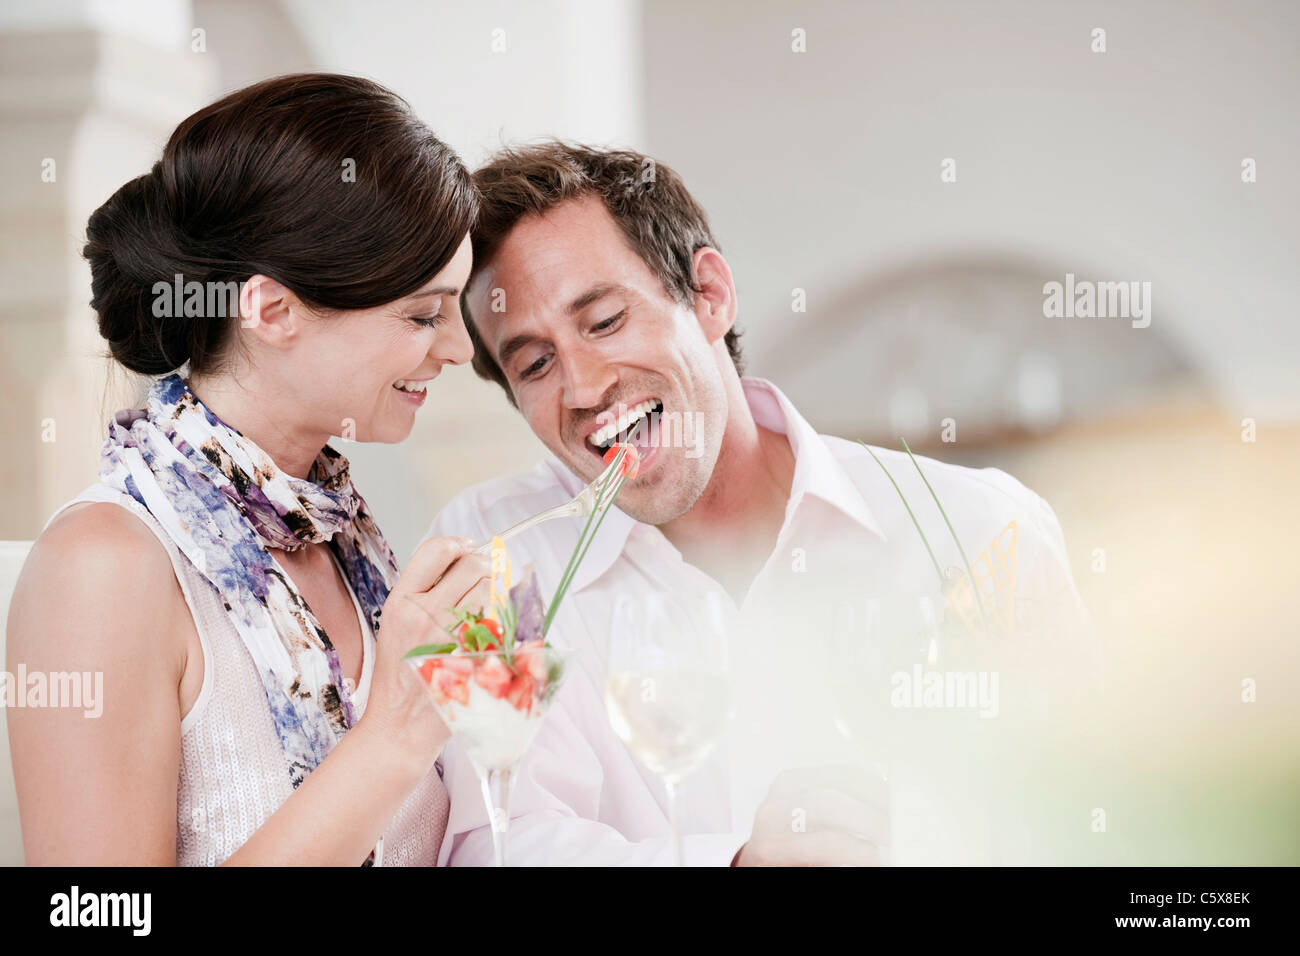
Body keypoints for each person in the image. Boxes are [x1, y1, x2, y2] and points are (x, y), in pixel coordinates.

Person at [426, 141, 1093, 866]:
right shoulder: (491, 554)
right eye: (535, 362)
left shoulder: (980, 531)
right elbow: (490, 845)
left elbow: (1086, 819)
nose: (583, 388)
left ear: (708, 295)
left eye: (606, 321)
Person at [5, 73, 491, 866]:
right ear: (271, 311)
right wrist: (399, 732)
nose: (460, 349)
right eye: (422, 314)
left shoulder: (342, 535)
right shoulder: (103, 566)